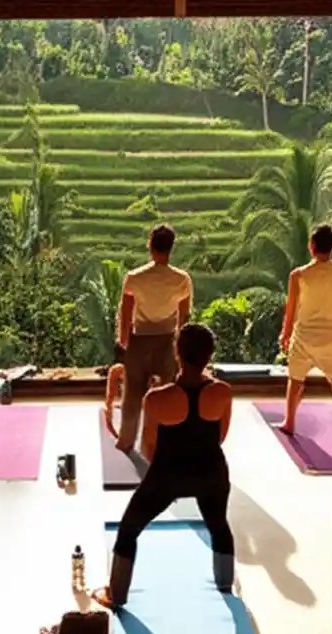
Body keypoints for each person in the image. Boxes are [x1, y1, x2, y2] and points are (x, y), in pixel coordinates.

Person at [94, 323, 234, 607]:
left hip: (168, 476)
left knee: (129, 530)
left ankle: (116, 595)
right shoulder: (223, 392)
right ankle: (225, 587)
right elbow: (220, 436)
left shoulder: (157, 398)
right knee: (219, 526)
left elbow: (148, 449)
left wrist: (168, 472)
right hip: (211, 473)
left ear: (177, 353)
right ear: (209, 356)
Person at [116, 225, 193, 452]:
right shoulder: (182, 279)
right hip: (168, 341)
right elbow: (184, 316)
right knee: (167, 392)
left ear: (150, 246)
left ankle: (126, 440)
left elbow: (126, 312)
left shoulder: (135, 277)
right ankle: (164, 440)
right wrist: (180, 347)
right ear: (171, 248)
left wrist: (123, 341)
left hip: (139, 340)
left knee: (132, 393)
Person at [277, 225, 332, 434]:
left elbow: (291, 310)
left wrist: (285, 334)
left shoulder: (299, 275)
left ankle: (289, 422)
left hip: (304, 336)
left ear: (311, 246)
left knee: (295, 380)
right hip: (330, 336)